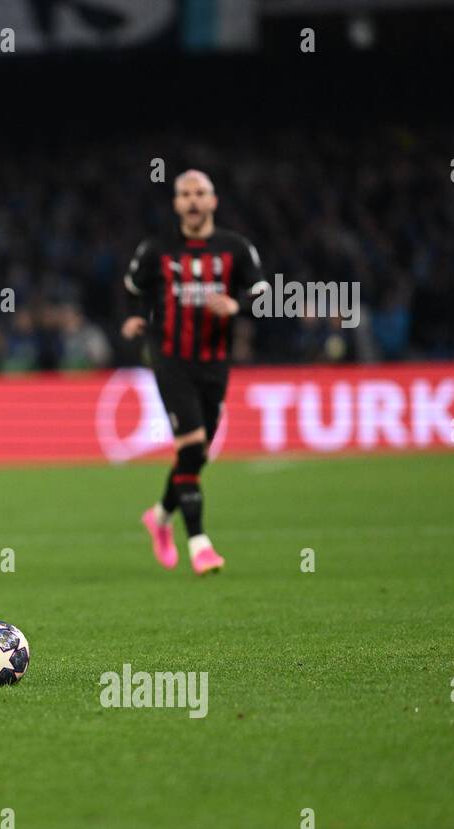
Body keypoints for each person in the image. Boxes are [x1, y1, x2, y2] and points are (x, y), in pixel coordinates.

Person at [122, 170, 269, 575]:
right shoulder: (156, 250)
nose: (192, 200)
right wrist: (135, 319)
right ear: (176, 203)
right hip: (169, 357)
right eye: (184, 193)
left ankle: (159, 516)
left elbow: (262, 293)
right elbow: (131, 289)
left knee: (197, 454)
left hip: (215, 361)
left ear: (213, 201)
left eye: (200, 193)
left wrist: (237, 305)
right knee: (191, 445)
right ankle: (200, 544)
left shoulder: (235, 248)